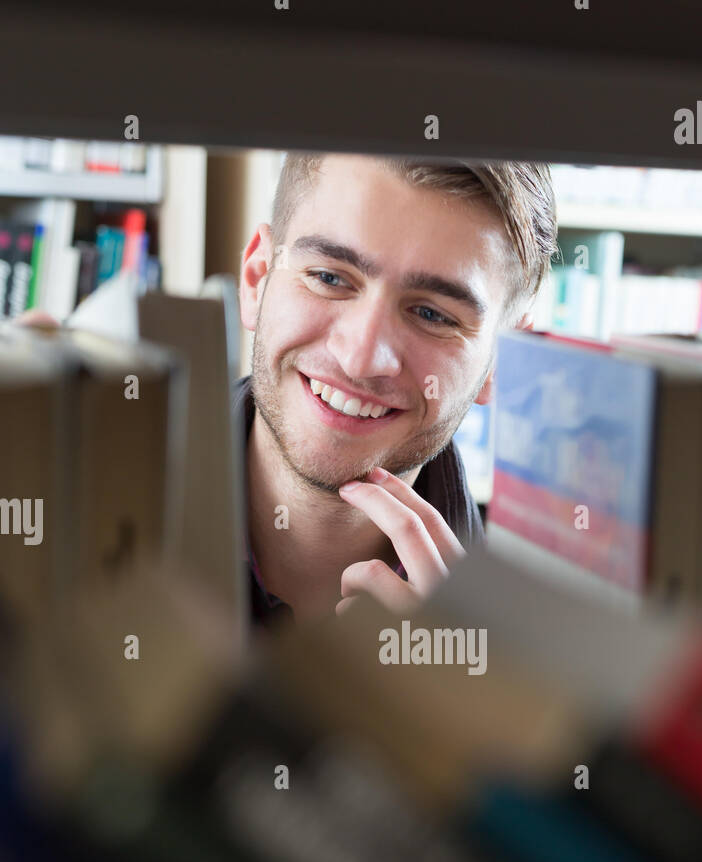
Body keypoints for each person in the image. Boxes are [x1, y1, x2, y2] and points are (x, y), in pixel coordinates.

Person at [19, 151, 558, 626]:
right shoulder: (66, 521)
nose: (361, 357)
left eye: (431, 314)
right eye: (329, 277)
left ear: (502, 363)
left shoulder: (541, 651)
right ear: (256, 278)